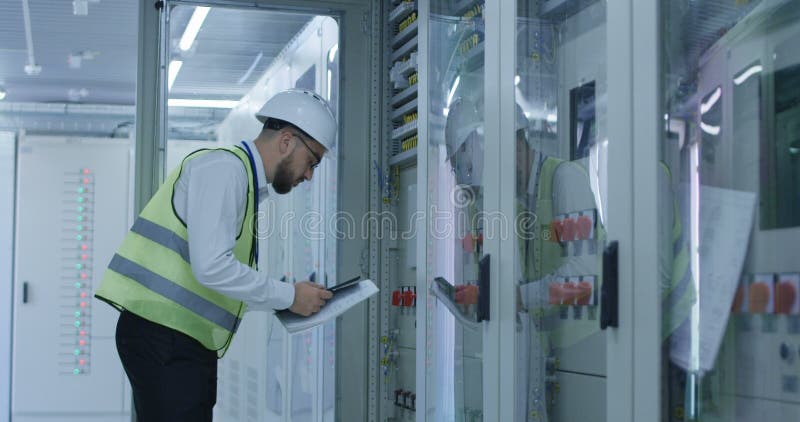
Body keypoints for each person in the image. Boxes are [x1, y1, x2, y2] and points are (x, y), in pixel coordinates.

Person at [95, 89, 337, 422]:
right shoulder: (225, 170)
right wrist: (287, 296)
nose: (309, 175)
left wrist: (288, 297)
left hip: (176, 338)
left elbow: (215, 279)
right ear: (286, 141)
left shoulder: (242, 180)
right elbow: (212, 268)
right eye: (312, 161)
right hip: (166, 337)